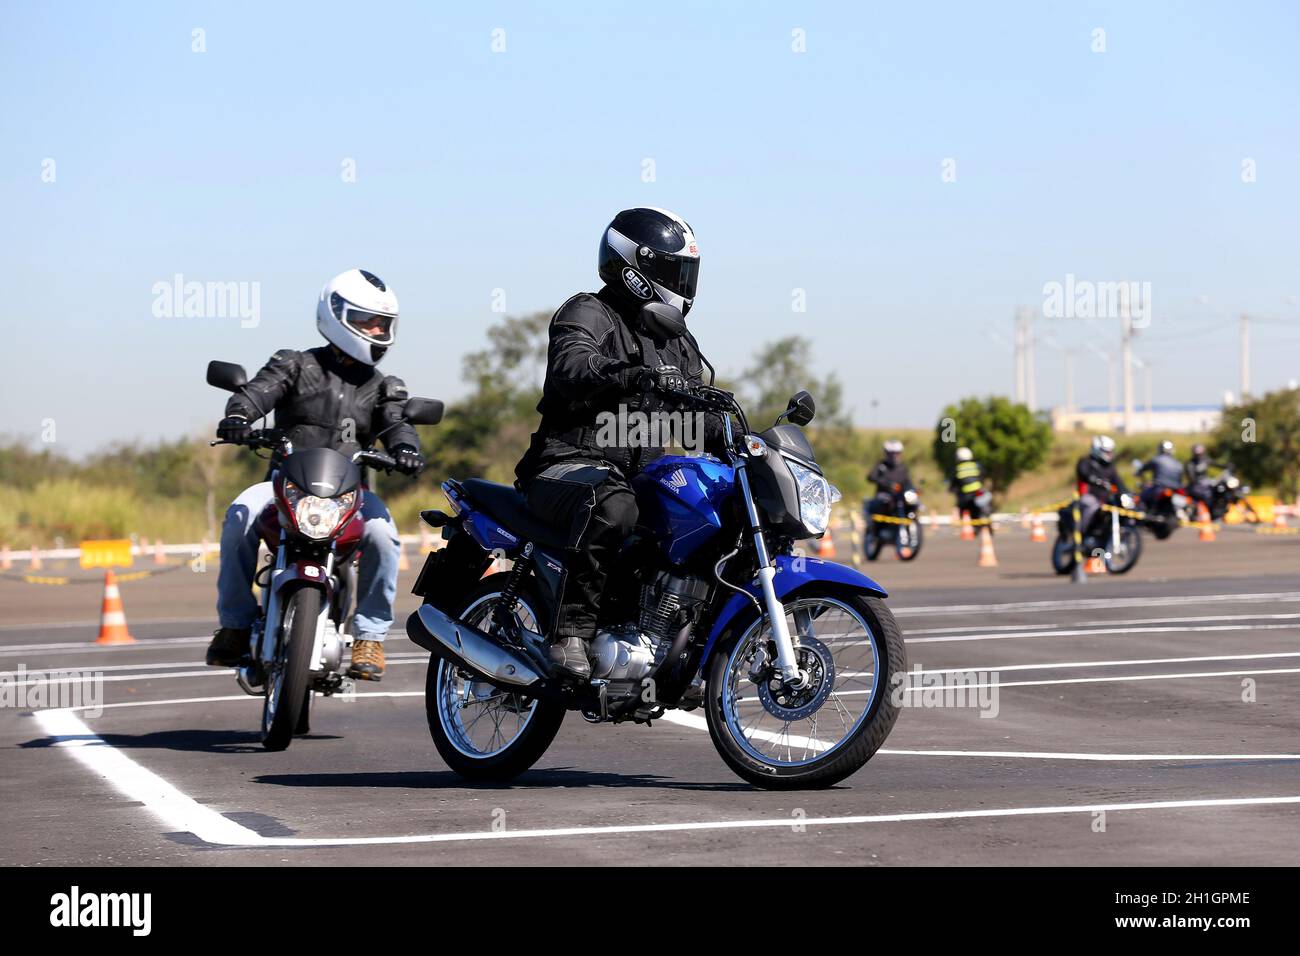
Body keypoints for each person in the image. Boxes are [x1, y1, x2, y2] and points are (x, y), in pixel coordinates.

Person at [513, 207, 719, 678]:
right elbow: (571, 367)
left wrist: (742, 438)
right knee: (614, 505)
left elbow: (695, 413)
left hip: (636, 473)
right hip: (564, 463)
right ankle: (571, 632)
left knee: (700, 509)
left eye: (687, 271)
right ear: (636, 268)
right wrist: (633, 376)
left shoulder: (674, 339)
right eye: (673, 270)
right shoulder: (589, 310)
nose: (683, 282)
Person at [204, 269, 426, 681]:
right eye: (368, 321)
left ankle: (370, 637)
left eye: (384, 323)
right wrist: (238, 415)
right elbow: (257, 392)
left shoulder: (383, 387)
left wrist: (406, 448)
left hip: (349, 493)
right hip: (282, 484)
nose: (378, 330)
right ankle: (234, 626)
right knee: (239, 515)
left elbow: (397, 423)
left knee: (384, 535)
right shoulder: (294, 364)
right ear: (336, 315)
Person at [1075, 435, 1127, 536]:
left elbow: (1119, 482)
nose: (1109, 454)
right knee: (1091, 507)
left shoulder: (1110, 467)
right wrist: (1094, 480)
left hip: (1106, 500)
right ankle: (1081, 533)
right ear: (1097, 450)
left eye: (1110, 451)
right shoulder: (1086, 461)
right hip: (1089, 496)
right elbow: (1084, 473)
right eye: (1107, 451)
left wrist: (1127, 493)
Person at [865, 439, 914, 525]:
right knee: (880, 504)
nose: (894, 456)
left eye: (897, 453)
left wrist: (913, 490)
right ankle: (877, 531)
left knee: (912, 503)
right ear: (886, 453)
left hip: (899, 496)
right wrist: (887, 484)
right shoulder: (880, 465)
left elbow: (908, 482)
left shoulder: (903, 467)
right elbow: (871, 477)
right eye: (891, 453)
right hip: (883, 495)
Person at [948, 446, 991, 523]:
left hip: (965, 497)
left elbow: (953, 484)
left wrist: (952, 489)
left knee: (960, 507)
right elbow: (983, 475)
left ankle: (959, 518)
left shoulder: (957, 468)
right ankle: (986, 521)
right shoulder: (977, 465)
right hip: (979, 493)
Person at [1137, 439, 1183, 511]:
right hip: (1176, 490)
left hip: (1160, 488)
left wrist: (1139, 471)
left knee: (1142, 497)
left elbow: (1143, 468)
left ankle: (1143, 515)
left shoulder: (1156, 459)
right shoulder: (1178, 464)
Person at [1184, 442, 1224, 508]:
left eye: (1200, 454)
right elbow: (1192, 479)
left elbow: (1216, 464)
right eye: (1197, 454)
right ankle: (1211, 510)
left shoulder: (1205, 460)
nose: (1199, 455)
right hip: (1196, 487)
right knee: (1208, 495)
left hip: (1206, 483)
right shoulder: (1190, 464)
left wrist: (1226, 466)